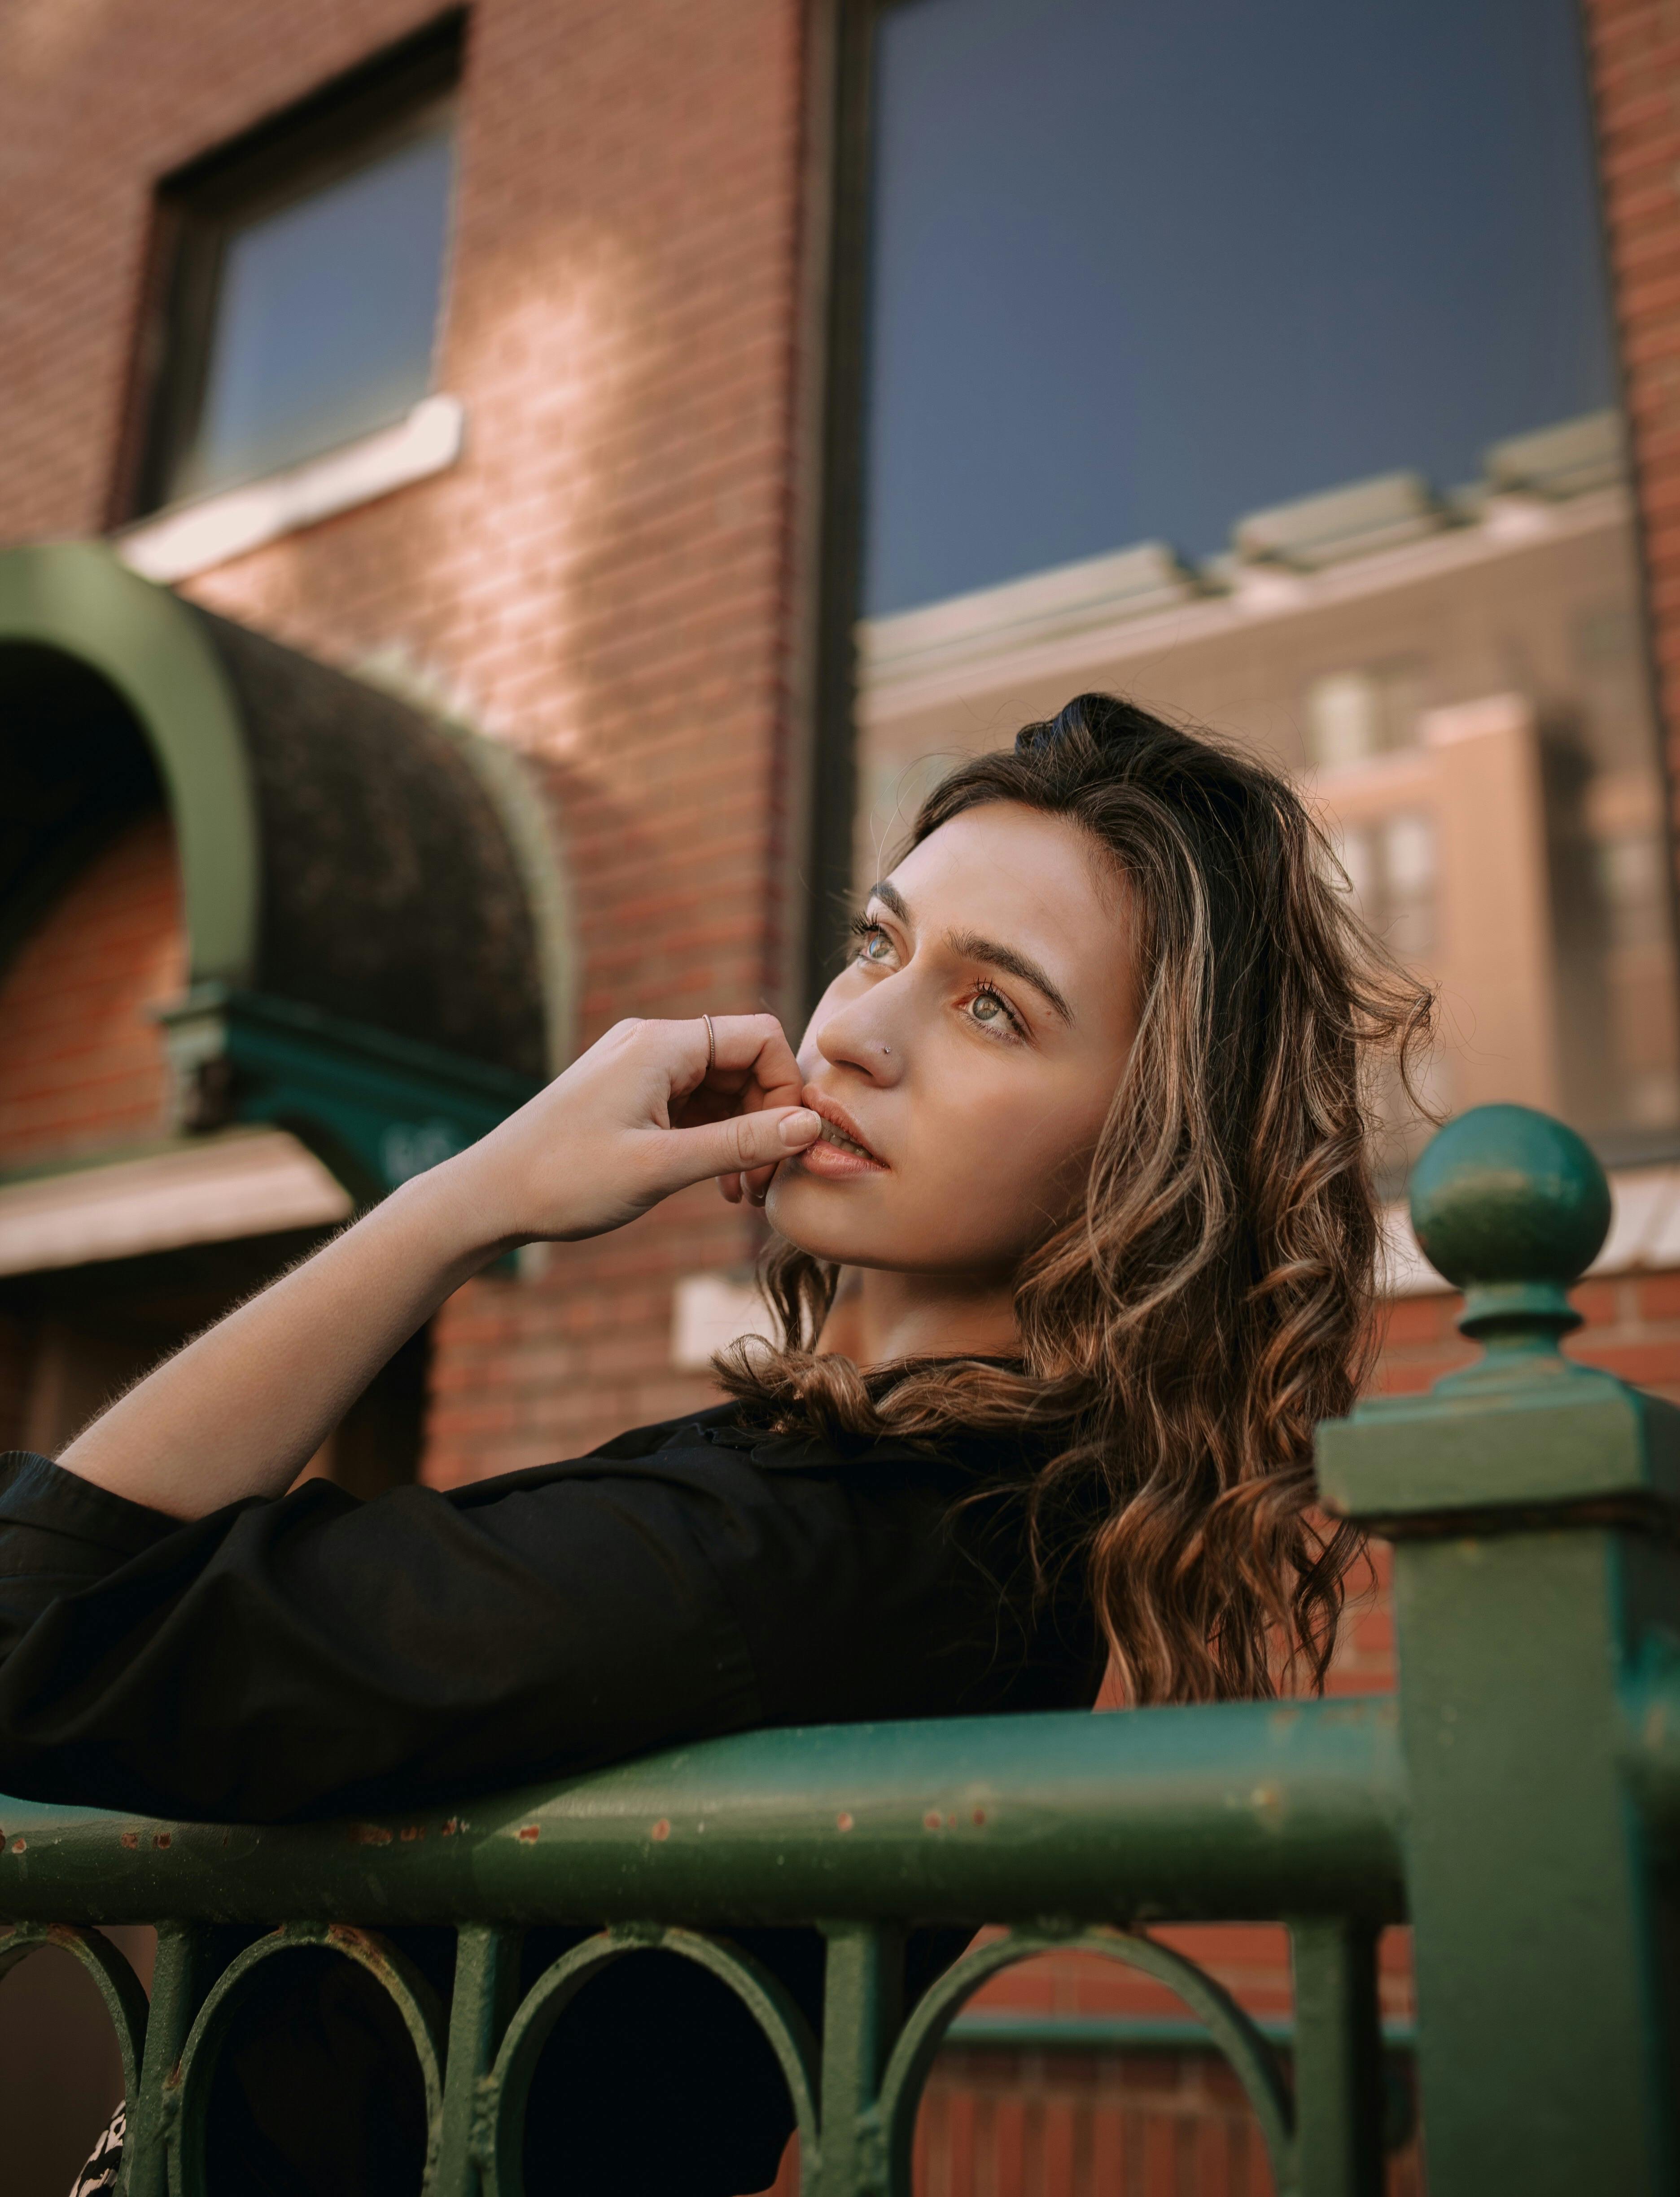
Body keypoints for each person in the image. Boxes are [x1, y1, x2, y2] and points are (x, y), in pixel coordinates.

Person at [1, 695, 1427, 2196]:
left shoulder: (823, 1550)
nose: (854, 1033)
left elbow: (40, 1624)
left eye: (993, 1005)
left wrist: (468, 1199)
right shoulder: (922, 1519)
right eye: (879, 943)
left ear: (1143, 1158)